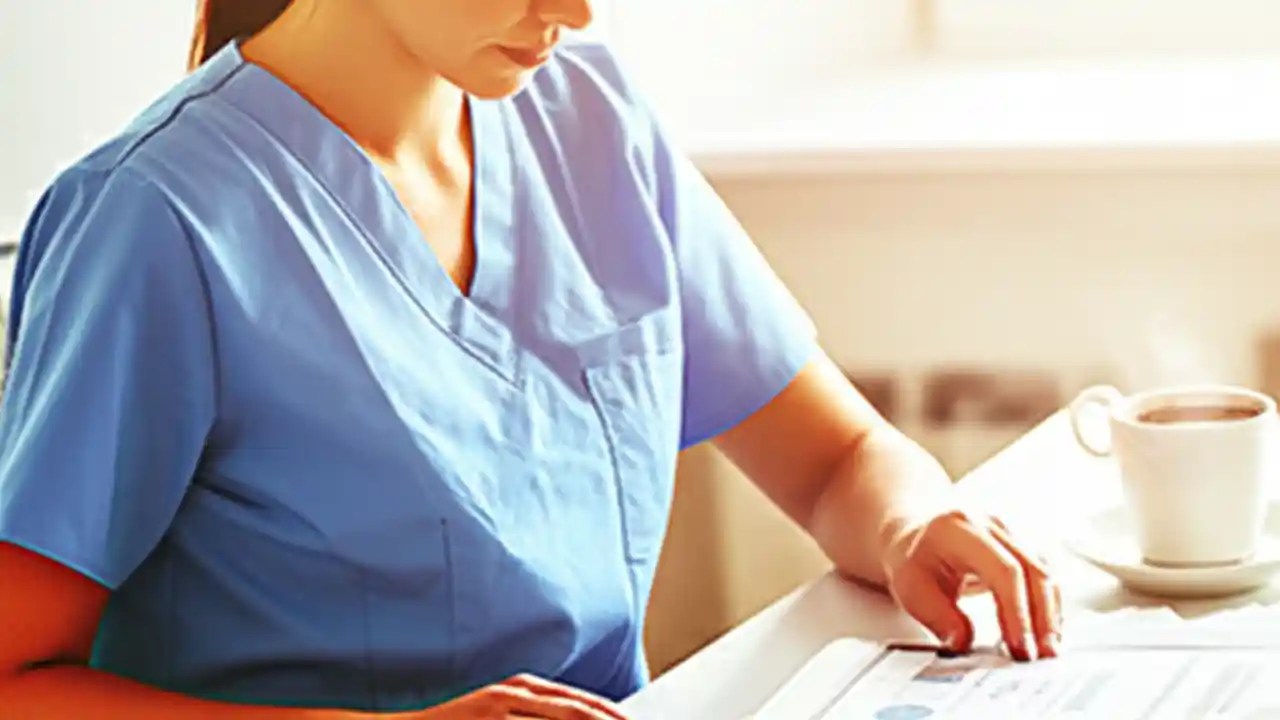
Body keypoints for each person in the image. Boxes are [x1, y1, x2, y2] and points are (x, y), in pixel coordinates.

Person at [0, 1, 1061, 718]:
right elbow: (15, 676)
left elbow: (833, 460)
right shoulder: (154, 219)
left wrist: (909, 522)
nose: (576, 6)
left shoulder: (586, 117)